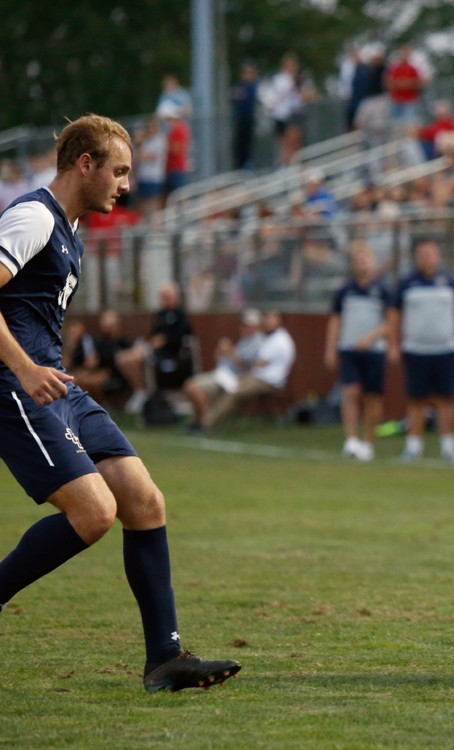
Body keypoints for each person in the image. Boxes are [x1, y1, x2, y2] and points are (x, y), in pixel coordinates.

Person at [0, 114, 239, 692]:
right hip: (14, 384)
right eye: (120, 170)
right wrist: (27, 368)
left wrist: (45, 368)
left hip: (54, 383)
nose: (126, 185)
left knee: (144, 500)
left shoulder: (69, 229)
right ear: (85, 164)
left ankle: (165, 658)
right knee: (94, 513)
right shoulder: (33, 216)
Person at [388, 240, 454, 464]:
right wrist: (394, 344)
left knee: (445, 399)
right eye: (422, 254)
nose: (426, 258)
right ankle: (413, 447)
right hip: (416, 349)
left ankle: (449, 447)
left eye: (430, 254)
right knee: (416, 399)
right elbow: (394, 314)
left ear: (437, 256)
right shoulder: (407, 283)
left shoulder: (450, 282)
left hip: (444, 349)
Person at [324, 242, 390, 461]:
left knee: (373, 397)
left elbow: (391, 323)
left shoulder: (383, 290)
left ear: (373, 262)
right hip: (349, 349)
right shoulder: (345, 290)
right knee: (350, 392)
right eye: (358, 259)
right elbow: (335, 320)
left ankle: (369, 442)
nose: (362, 264)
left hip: (375, 350)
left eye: (366, 259)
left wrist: (370, 338)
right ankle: (351, 440)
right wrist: (330, 348)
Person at [200, 309, 296, 431]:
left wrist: (234, 357)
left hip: (268, 381)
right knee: (228, 385)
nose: (269, 321)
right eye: (268, 317)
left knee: (234, 390)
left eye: (273, 318)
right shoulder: (267, 338)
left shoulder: (279, 340)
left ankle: (207, 422)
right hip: (258, 377)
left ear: (280, 321)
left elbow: (259, 363)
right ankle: (206, 419)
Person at [116, 280, 194, 414]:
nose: (166, 299)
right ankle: (141, 391)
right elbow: (152, 335)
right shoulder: (159, 315)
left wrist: (165, 340)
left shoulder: (180, 315)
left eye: (168, 296)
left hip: (171, 354)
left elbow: (183, 335)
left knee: (133, 360)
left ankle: (142, 393)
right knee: (122, 358)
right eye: (163, 296)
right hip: (153, 350)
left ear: (176, 297)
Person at [184, 308, 264, 433]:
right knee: (192, 387)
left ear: (257, 326)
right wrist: (222, 352)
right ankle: (200, 422)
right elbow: (220, 360)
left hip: (232, 378)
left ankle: (204, 423)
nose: (246, 327)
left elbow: (243, 363)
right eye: (244, 324)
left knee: (193, 387)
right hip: (222, 374)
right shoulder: (245, 341)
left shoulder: (257, 342)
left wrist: (228, 350)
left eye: (249, 325)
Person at [63, 309, 133, 405]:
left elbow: (94, 364)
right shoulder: (101, 343)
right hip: (96, 373)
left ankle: (99, 405)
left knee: (86, 382)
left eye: (109, 326)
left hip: (112, 376)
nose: (106, 328)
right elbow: (67, 365)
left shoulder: (123, 344)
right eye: (104, 326)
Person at [231, 60, 259, 170]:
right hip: (240, 119)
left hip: (248, 119)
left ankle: (246, 165)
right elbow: (234, 96)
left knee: (247, 145)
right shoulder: (240, 85)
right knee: (239, 145)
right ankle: (239, 166)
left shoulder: (252, 86)